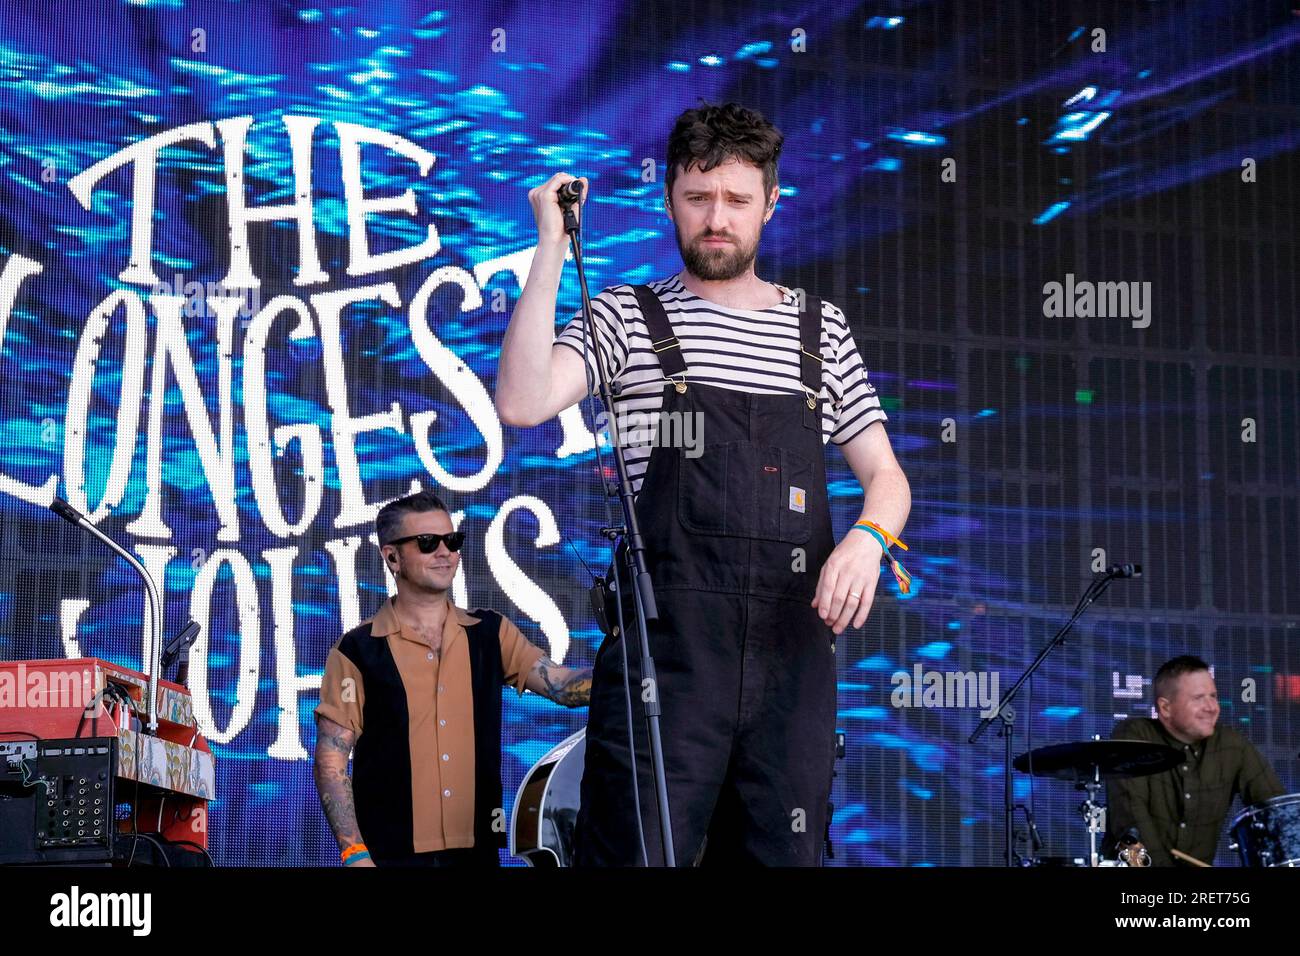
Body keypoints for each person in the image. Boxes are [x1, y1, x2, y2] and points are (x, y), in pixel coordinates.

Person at [495, 101, 912, 865]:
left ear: (770, 204)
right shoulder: (626, 315)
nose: (716, 218)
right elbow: (521, 401)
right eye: (697, 197)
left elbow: (886, 476)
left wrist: (867, 539)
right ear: (670, 201)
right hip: (667, 665)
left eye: (736, 200)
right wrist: (551, 246)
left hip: (791, 664)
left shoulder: (821, 330)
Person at [313, 489, 592, 867]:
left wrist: (633, 671)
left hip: (476, 853)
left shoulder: (491, 632)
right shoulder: (358, 649)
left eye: (453, 540)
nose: (445, 552)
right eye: (428, 543)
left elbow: (559, 685)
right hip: (390, 855)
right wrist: (354, 854)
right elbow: (332, 763)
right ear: (391, 556)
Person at [1106, 654, 1284, 866]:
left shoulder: (1233, 745)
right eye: (1199, 698)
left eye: (1213, 696)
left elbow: (1277, 812)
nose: (1212, 707)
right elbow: (1130, 827)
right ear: (1165, 708)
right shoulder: (1134, 735)